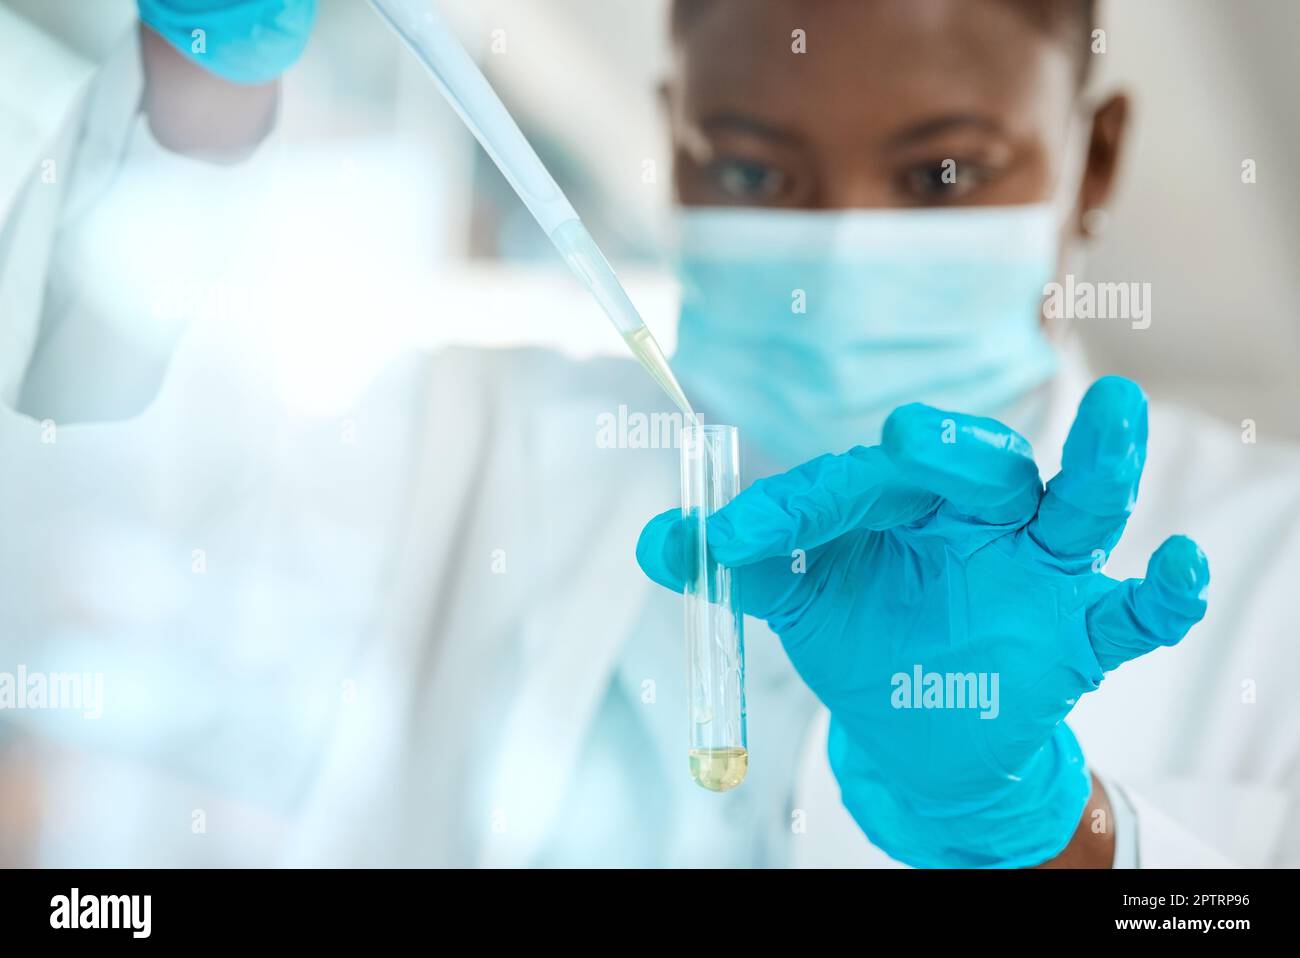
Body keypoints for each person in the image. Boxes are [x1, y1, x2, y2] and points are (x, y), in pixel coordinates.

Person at [0, 0, 1295, 868]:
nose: (836, 242)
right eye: (750, 172)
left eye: (941, 173)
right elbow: (98, 517)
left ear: (1097, 161)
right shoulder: (490, 442)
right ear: (673, 155)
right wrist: (196, 106)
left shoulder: (1266, 559)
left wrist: (1053, 834)